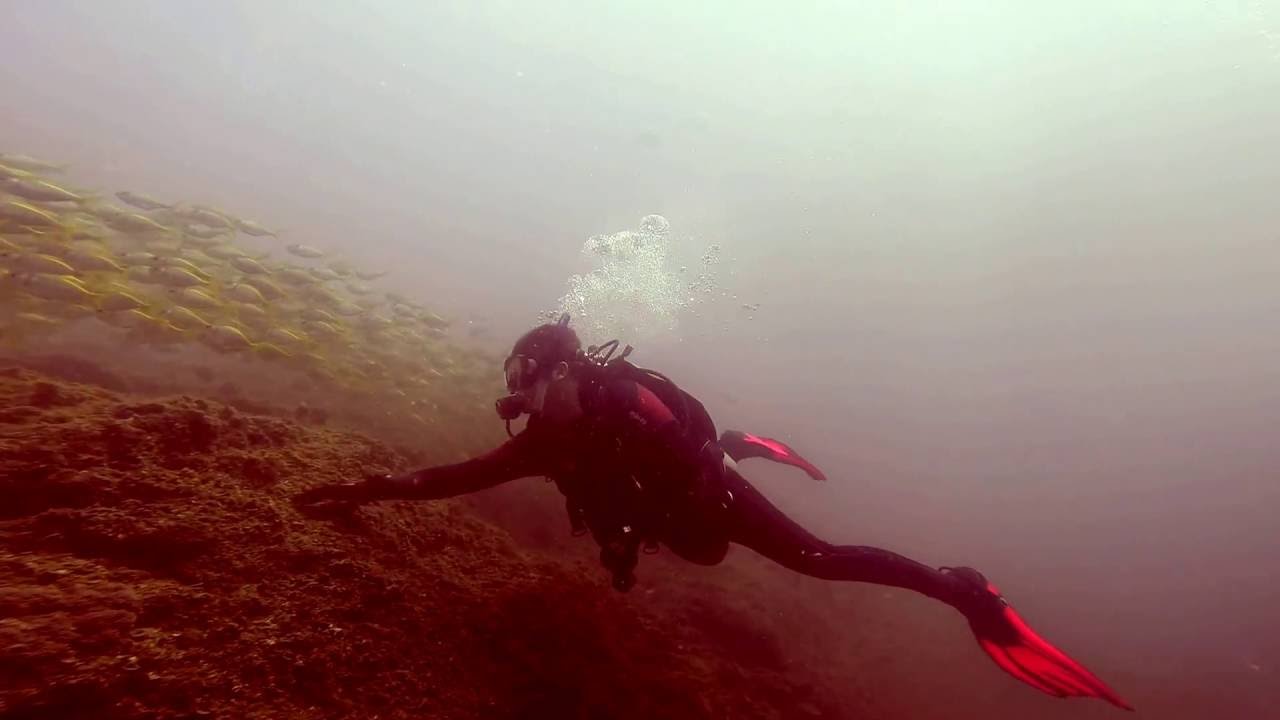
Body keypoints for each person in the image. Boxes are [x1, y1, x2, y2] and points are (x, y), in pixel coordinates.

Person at [294, 315, 1133, 710]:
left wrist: (706, 465)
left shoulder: (616, 401)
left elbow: (669, 447)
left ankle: (966, 590)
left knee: (819, 559)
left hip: (711, 492)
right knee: (691, 556)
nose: (515, 396)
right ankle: (736, 444)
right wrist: (373, 489)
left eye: (526, 378)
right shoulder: (549, 443)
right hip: (678, 519)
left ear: (555, 372)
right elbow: (462, 474)